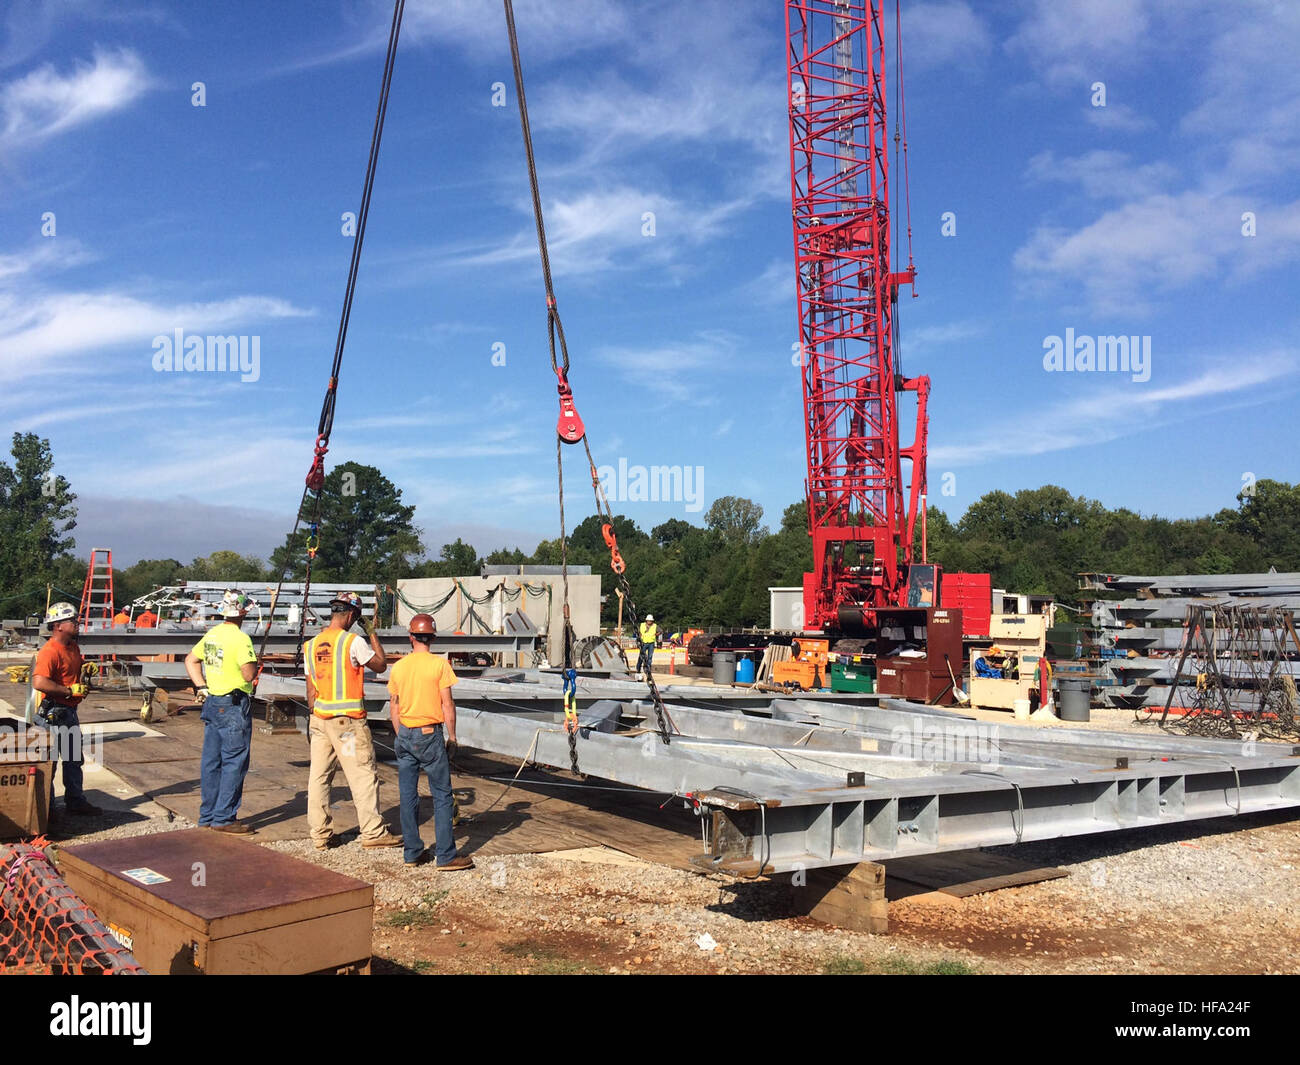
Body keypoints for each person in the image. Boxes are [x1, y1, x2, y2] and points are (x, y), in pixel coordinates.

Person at [305, 592, 402, 850]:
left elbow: (310, 690)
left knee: (319, 777)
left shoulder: (311, 645)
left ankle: (320, 835)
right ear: (351, 615)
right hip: (346, 725)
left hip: (320, 721)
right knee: (361, 774)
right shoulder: (353, 642)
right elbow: (381, 665)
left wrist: (315, 716)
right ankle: (373, 832)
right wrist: (371, 633)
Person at [386, 614, 474, 869]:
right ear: (433, 638)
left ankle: (412, 852)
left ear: (411, 637)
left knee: (408, 795)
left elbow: (394, 706)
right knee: (442, 796)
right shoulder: (439, 665)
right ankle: (446, 856)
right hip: (429, 735)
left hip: (405, 733)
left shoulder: (399, 667)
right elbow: (447, 704)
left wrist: (401, 732)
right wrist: (453, 737)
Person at [184, 590, 258, 833]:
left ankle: (208, 815)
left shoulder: (213, 634)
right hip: (234, 704)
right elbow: (248, 674)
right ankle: (224, 817)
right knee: (234, 761)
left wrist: (201, 686)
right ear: (243, 611)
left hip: (213, 701)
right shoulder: (241, 639)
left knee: (212, 761)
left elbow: (190, 660)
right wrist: (255, 668)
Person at [30, 602, 99, 816]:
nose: (77, 623)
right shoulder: (50, 651)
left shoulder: (73, 647)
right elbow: (39, 682)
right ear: (58, 625)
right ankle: (47, 812)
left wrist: (83, 670)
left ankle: (75, 801)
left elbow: (72, 675)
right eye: (72, 620)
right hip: (53, 714)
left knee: (72, 760)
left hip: (68, 713)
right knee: (49, 764)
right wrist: (68, 691)